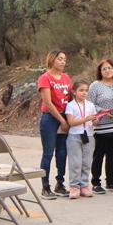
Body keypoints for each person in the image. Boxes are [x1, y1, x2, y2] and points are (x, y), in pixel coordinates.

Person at [37, 50, 72, 199]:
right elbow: (48, 102)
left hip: (64, 116)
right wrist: (62, 121)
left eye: (64, 59)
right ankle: (45, 187)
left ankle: (60, 184)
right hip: (50, 119)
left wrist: (69, 117)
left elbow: (70, 98)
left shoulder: (66, 78)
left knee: (62, 153)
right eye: (60, 59)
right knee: (48, 153)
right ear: (52, 60)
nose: (63, 62)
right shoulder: (45, 78)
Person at [89, 58, 113, 193]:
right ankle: (96, 182)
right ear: (100, 71)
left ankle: (110, 182)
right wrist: (101, 111)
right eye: (104, 69)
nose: (107, 70)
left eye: (110, 68)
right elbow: (89, 104)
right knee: (99, 155)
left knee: (112, 155)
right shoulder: (95, 86)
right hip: (101, 126)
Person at [64, 81, 96, 199]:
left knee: (87, 162)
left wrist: (96, 119)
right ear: (74, 92)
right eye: (81, 90)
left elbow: (94, 121)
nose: (84, 93)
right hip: (74, 136)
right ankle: (74, 186)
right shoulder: (71, 105)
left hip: (89, 135)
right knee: (75, 162)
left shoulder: (90, 105)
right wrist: (86, 119)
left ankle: (84, 185)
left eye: (86, 90)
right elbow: (71, 122)